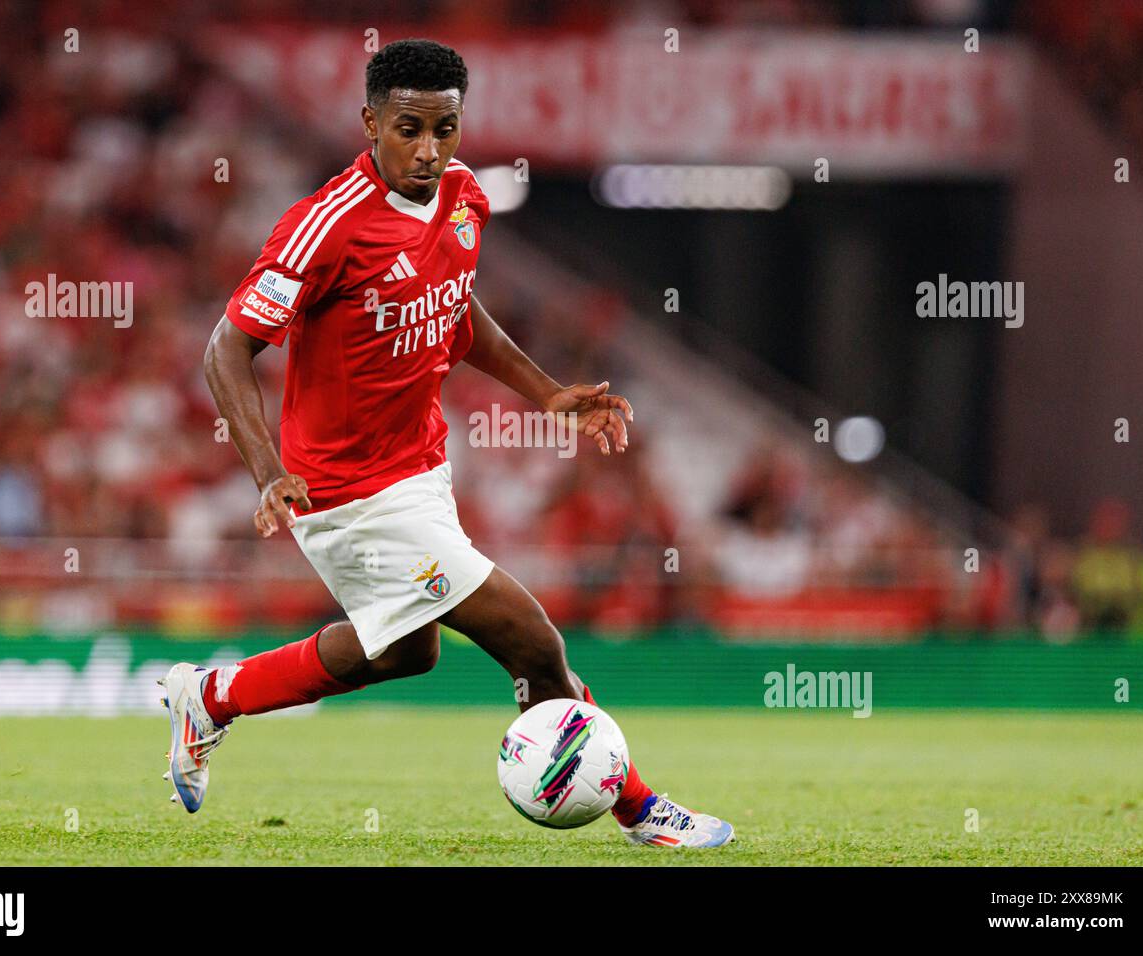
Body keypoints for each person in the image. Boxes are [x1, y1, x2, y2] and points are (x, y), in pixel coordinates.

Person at [159, 38, 734, 848]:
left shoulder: (464, 197)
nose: (429, 150)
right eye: (408, 129)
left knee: (405, 654)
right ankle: (638, 809)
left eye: (445, 127)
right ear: (370, 123)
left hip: (420, 468)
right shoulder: (325, 229)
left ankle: (214, 698)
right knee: (532, 638)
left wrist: (549, 395)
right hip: (347, 493)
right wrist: (267, 472)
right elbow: (225, 347)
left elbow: (459, 311)